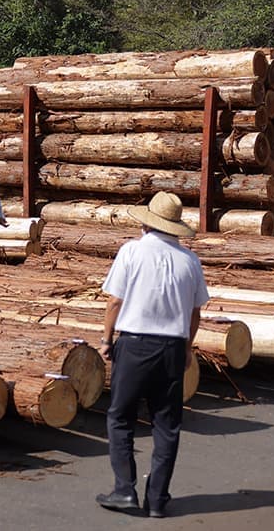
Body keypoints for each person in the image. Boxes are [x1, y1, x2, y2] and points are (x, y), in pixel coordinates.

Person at [96, 191, 209, 519]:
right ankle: (157, 498)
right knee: (167, 424)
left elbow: (115, 301)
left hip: (136, 342)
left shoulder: (131, 251)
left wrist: (106, 338)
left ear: (148, 223)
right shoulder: (190, 260)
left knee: (120, 417)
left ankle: (124, 490)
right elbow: (195, 312)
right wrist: (187, 348)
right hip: (172, 346)